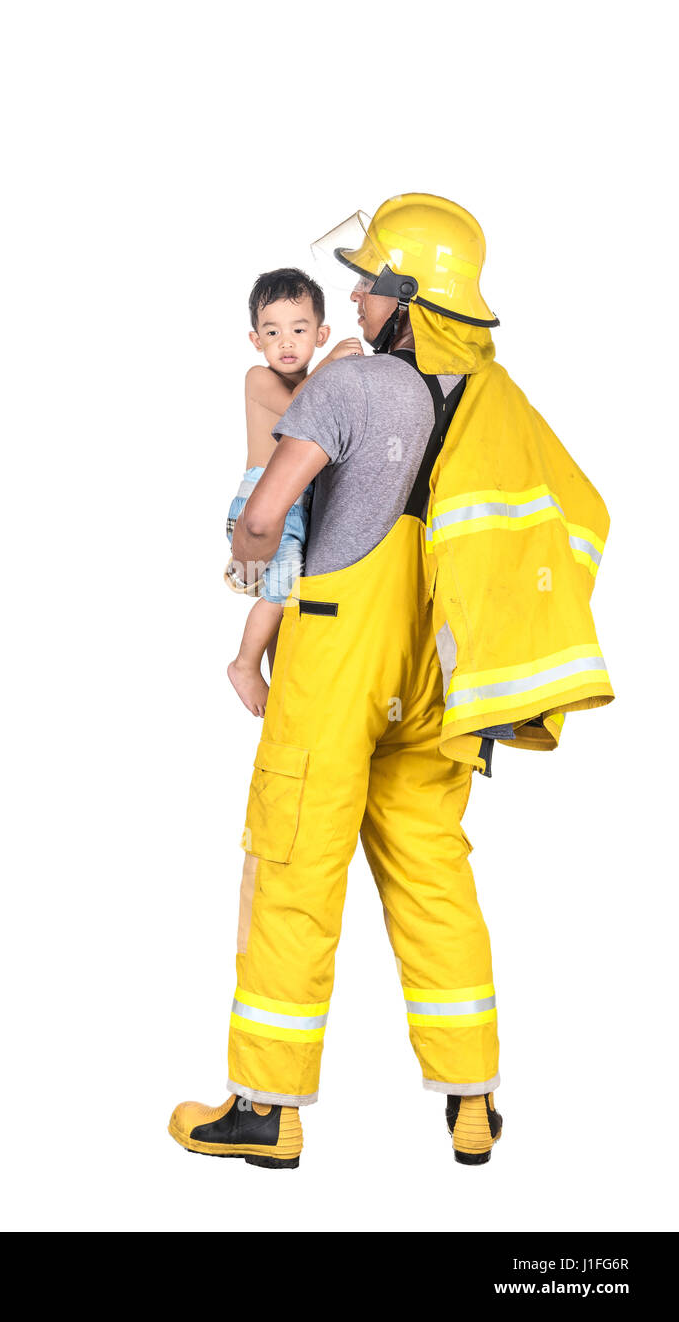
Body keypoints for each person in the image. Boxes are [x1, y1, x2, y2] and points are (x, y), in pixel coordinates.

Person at [169, 194, 613, 1169]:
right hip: (442, 671)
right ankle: (473, 1099)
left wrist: (247, 580)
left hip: (334, 658)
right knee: (433, 877)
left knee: (294, 866)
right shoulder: (495, 404)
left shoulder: (354, 387)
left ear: (408, 300)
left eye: (371, 283)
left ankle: (264, 1108)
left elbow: (264, 521)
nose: (356, 297)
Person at [225, 268, 361, 715]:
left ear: (319, 333)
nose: (285, 342)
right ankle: (244, 665)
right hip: (261, 499)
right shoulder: (257, 379)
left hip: (293, 504)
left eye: (298, 330)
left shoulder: (309, 376)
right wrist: (330, 364)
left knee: (285, 598)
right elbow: (300, 408)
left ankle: (278, 672)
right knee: (281, 592)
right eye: (272, 331)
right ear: (255, 340)